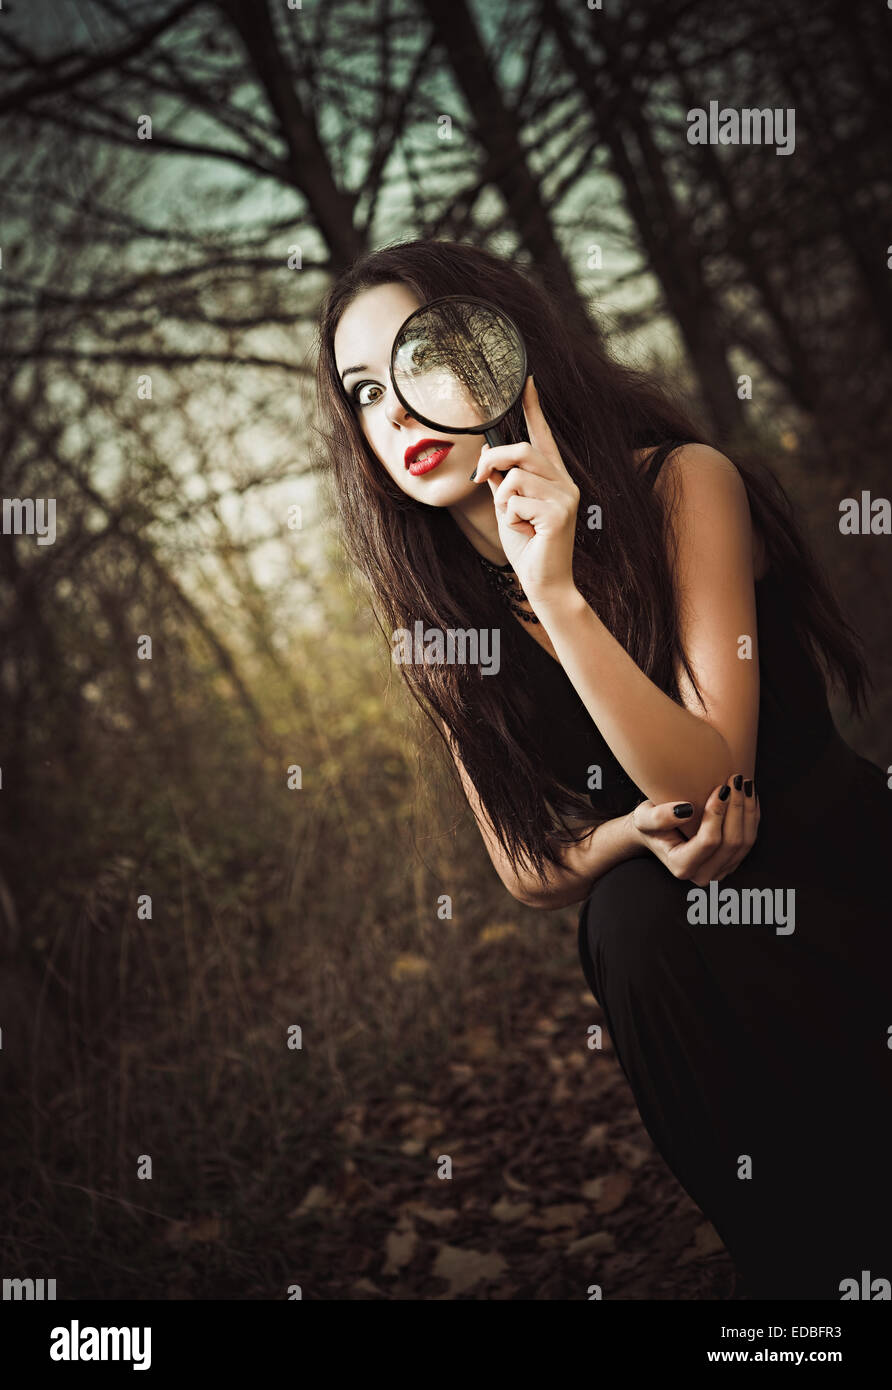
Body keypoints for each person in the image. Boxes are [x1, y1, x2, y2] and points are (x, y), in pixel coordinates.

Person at [314, 237, 892, 1301]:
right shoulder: (440, 617)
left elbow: (710, 773)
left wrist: (562, 595)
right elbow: (526, 861)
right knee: (631, 914)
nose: (390, 412)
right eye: (359, 391)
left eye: (416, 356)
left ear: (501, 354)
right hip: (683, 938)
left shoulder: (680, 486)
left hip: (836, 876)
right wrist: (632, 834)